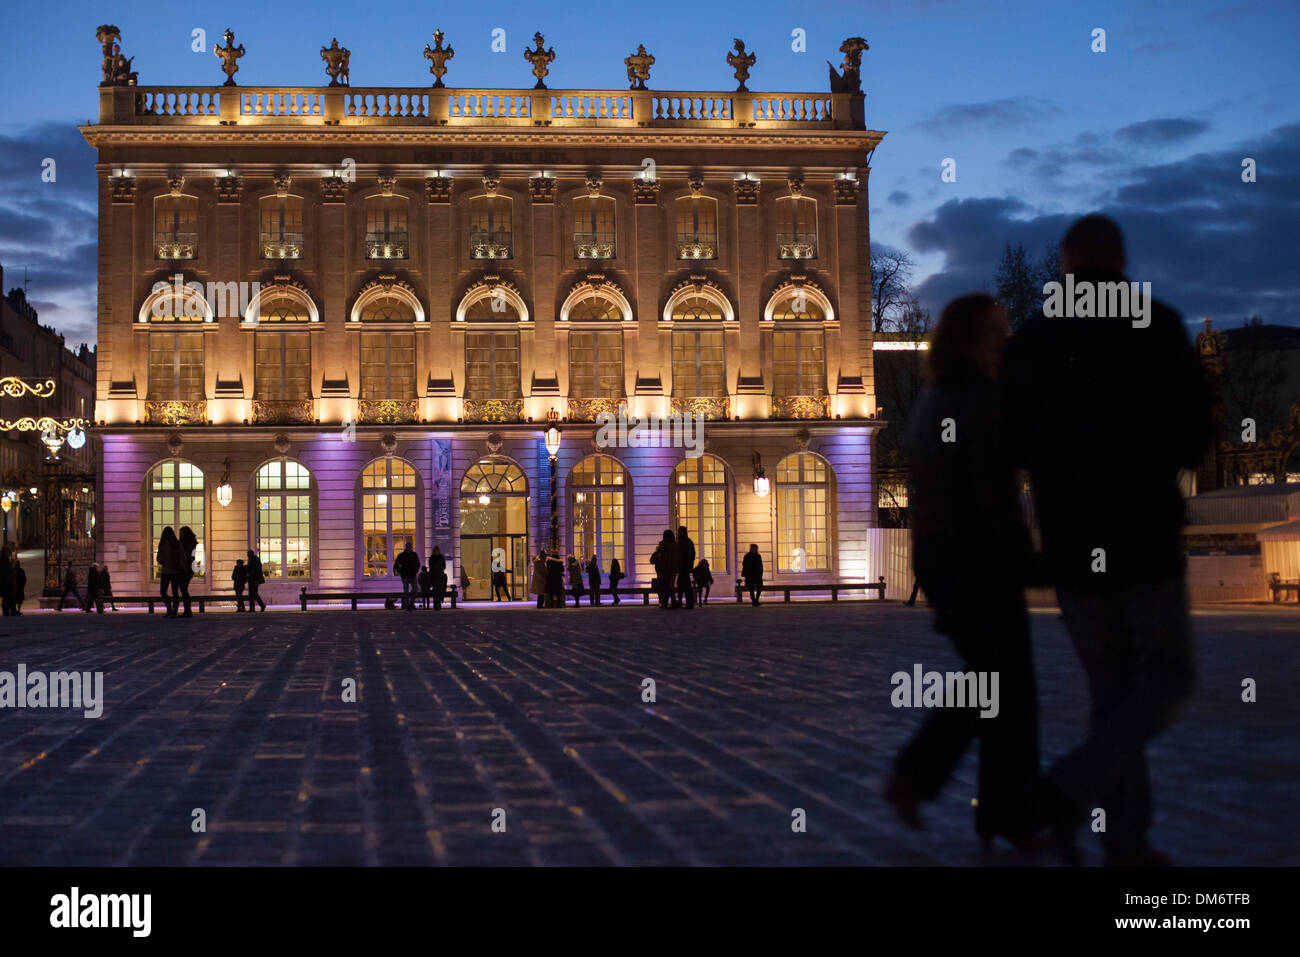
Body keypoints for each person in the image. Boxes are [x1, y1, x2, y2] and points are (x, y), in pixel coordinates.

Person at [1002, 215, 1213, 866]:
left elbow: (1008, 442)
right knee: (1167, 678)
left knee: (1112, 689)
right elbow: (1193, 436)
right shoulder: (1157, 324)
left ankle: (1122, 835)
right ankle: (1069, 795)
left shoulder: (1032, 339)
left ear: (1065, 266)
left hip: (1070, 541)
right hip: (1142, 533)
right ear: (1119, 262)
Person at [885, 292, 1041, 854]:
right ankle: (935, 783)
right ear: (970, 339)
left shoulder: (939, 396)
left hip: (951, 556)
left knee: (995, 683)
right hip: (973, 558)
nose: (1003, 340)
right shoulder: (973, 398)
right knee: (1003, 687)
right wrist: (1028, 560)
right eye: (995, 332)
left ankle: (992, 810)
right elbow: (989, 491)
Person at [155, 528, 183, 616]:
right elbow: (182, 556)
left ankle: (169, 609)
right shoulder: (177, 544)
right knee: (175, 592)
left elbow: (159, 558)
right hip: (176, 571)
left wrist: (165, 562)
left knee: (163, 591)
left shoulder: (162, 545)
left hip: (166, 571)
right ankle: (174, 611)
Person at [177, 526, 199, 617]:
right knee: (184, 589)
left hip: (184, 567)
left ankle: (187, 611)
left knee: (183, 590)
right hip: (191, 567)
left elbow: (182, 555)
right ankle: (187, 610)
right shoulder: (193, 542)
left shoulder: (183, 542)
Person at [654, 530, 678, 609]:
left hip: (663, 568)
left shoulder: (663, 545)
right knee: (670, 586)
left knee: (665, 586)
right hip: (672, 568)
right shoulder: (675, 546)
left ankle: (666, 602)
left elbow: (662, 557)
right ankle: (672, 602)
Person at [394, 540, 420, 611]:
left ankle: (411, 603)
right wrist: (401, 571)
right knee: (406, 590)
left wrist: (415, 570)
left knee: (415, 589)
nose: (409, 548)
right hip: (405, 575)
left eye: (410, 547)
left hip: (412, 574)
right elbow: (396, 565)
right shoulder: (402, 555)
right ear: (406, 547)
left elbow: (418, 564)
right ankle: (408, 605)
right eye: (408, 547)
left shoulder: (414, 555)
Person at [675, 527, 696, 609]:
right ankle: (686, 602)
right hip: (685, 566)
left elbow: (681, 555)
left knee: (684, 585)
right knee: (683, 584)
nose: (678, 533)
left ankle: (686, 602)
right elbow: (692, 555)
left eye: (679, 531)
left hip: (683, 566)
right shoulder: (688, 542)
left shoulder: (682, 542)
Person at [429, 546, 448, 610]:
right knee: (436, 591)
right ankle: (436, 605)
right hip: (435, 576)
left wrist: (437, 568)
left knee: (438, 591)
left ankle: (438, 604)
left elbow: (443, 566)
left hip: (439, 576)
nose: (436, 551)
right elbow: (432, 566)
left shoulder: (439, 557)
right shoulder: (433, 558)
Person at [0, 546, 13, 616]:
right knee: (6, 596)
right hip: (5, 581)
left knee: (7, 596)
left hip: (5, 581)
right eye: (8, 552)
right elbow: (5, 571)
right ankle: (6, 610)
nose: (9, 553)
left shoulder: (5, 560)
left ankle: (8, 610)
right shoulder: (4, 560)